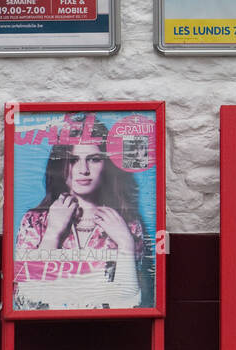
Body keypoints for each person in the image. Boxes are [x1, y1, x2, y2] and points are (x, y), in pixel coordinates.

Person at [13, 117, 148, 310]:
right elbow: (27, 302)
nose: (83, 170)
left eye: (94, 159)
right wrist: (52, 234)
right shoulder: (35, 222)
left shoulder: (127, 225)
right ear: (60, 165)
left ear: (106, 165)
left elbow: (127, 305)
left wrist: (125, 243)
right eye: (74, 160)